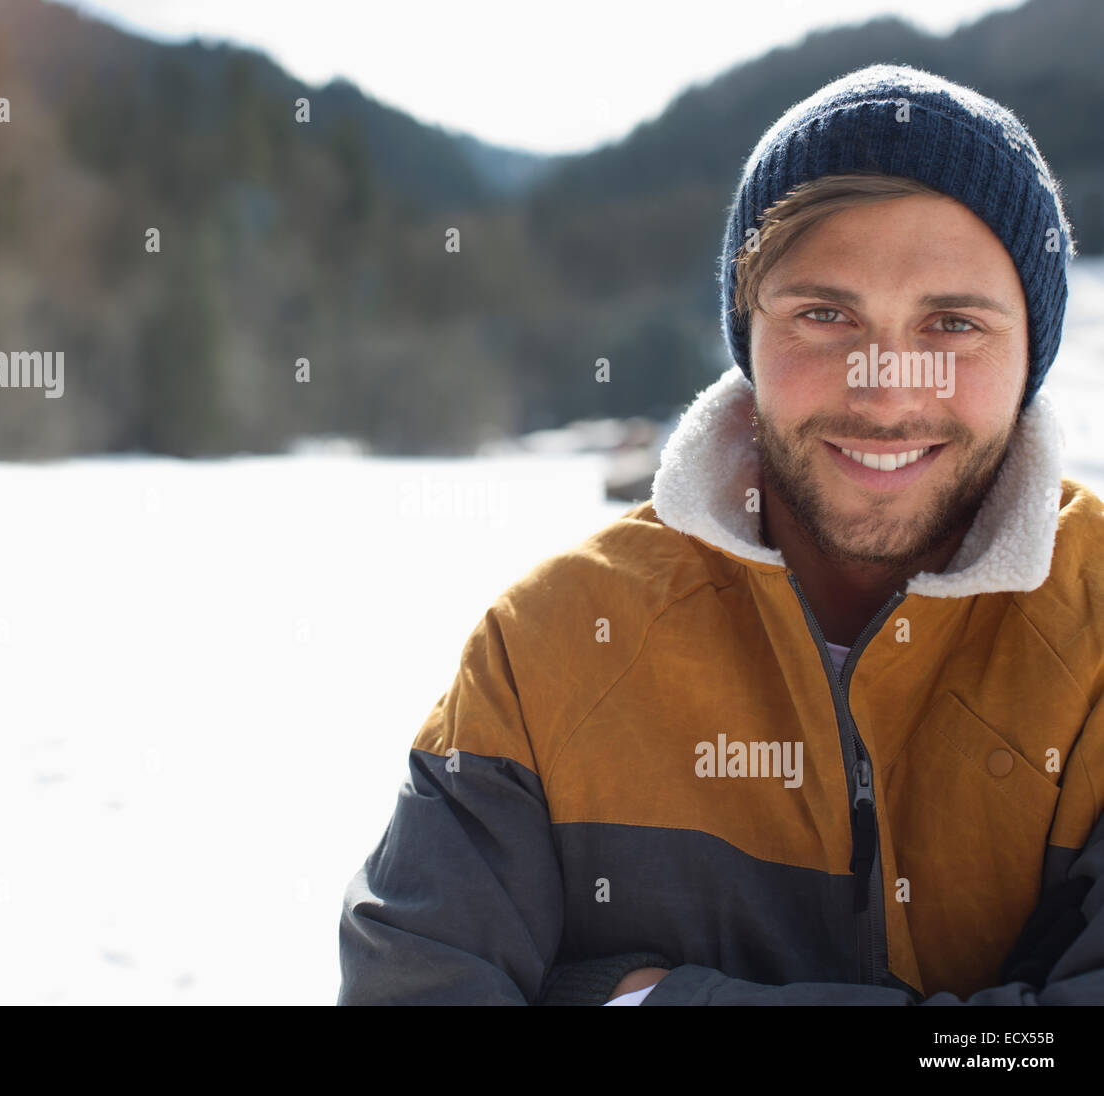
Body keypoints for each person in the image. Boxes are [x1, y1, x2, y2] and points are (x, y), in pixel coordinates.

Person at [336, 64, 1104, 1005]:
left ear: (1032, 354)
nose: (887, 390)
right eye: (825, 315)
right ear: (748, 336)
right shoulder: (549, 647)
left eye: (952, 323)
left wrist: (654, 1003)